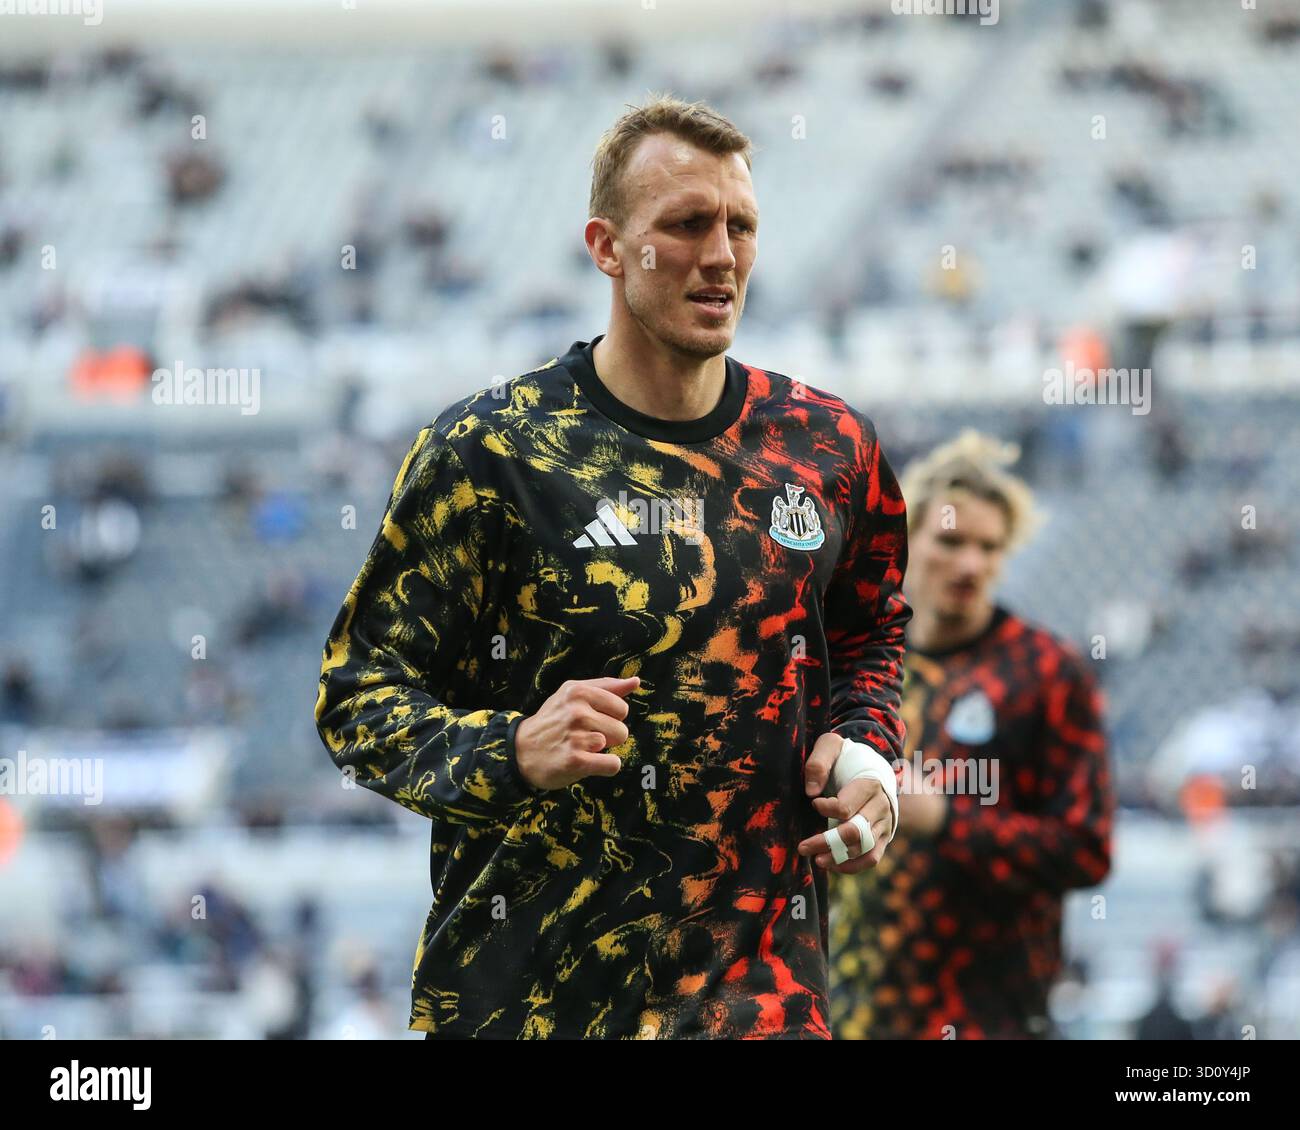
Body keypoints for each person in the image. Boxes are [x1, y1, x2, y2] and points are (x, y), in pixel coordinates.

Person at [314, 94, 910, 1039]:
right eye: (685, 225)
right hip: (523, 1000)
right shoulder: (491, 452)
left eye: (740, 226)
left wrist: (870, 745)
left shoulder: (828, 447)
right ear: (606, 246)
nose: (721, 255)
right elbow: (357, 697)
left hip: (760, 1002)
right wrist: (509, 750)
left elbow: (873, 628)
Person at [830, 431, 1113, 1039]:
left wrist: (945, 820)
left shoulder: (1046, 673)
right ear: (906, 541)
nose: (972, 565)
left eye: (990, 547)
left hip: (988, 1013)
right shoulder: (851, 659)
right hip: (843, 1004)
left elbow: (1087, 848)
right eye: (952, 541)